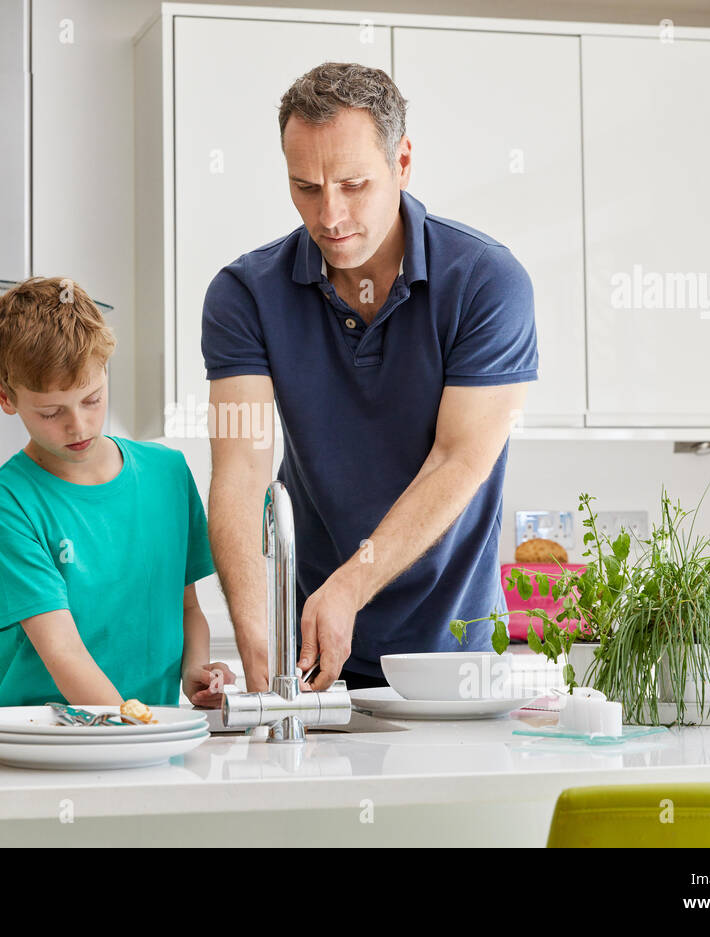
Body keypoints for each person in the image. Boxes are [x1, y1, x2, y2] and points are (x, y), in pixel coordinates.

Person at [202, 63, 538, 693]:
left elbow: (458, 460)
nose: (330, 216)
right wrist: (259, 645)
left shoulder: (489, 283)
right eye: (306, 188)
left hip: (456, 658)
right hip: (311, 657)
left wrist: (351, 586)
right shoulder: (244, 296)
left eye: (354, 185)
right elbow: (242, 472)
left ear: (402, 161)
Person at [0, 276, 234, 708]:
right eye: (51, 412)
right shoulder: (4, 504)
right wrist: (138, 729)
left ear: (107, 371)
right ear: (5, 396)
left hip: (148, 745)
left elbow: (187, 611)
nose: (78, 426)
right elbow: (63, 651)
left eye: (91, 399)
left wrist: (195, 672)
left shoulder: (167, 474)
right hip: (49, 749)